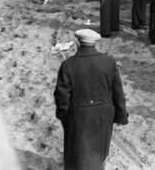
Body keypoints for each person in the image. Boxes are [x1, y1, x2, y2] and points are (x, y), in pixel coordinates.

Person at [54, 29, 128, 170]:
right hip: (103, 113)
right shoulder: (109, 62)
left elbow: (62, 95)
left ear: (78, 43)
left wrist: (63, 114)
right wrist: (121, 115)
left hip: (79, 114)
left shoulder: (68, 65)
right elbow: (118, 92)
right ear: (95, 44)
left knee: (78, 151)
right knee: (99, 150)